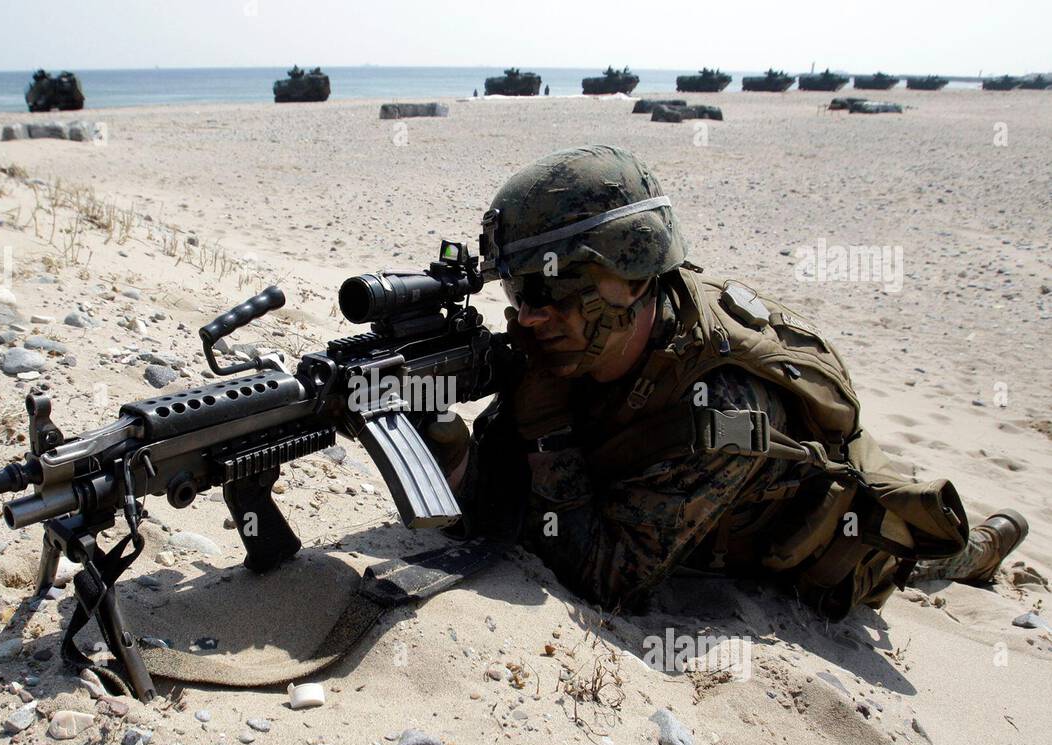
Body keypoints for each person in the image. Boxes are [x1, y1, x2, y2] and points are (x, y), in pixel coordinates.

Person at [422, 144, 1029, 618]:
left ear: (633, 277)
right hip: (652, 485)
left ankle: (975, 551)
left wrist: (549, 432)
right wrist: (448, 444)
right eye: (517, 290)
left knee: (920, 553)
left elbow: (608, 582)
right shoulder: (580, 337)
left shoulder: (723, 409)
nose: (528, 315)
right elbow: (514, 488)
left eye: (550, 290)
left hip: (827, 549)